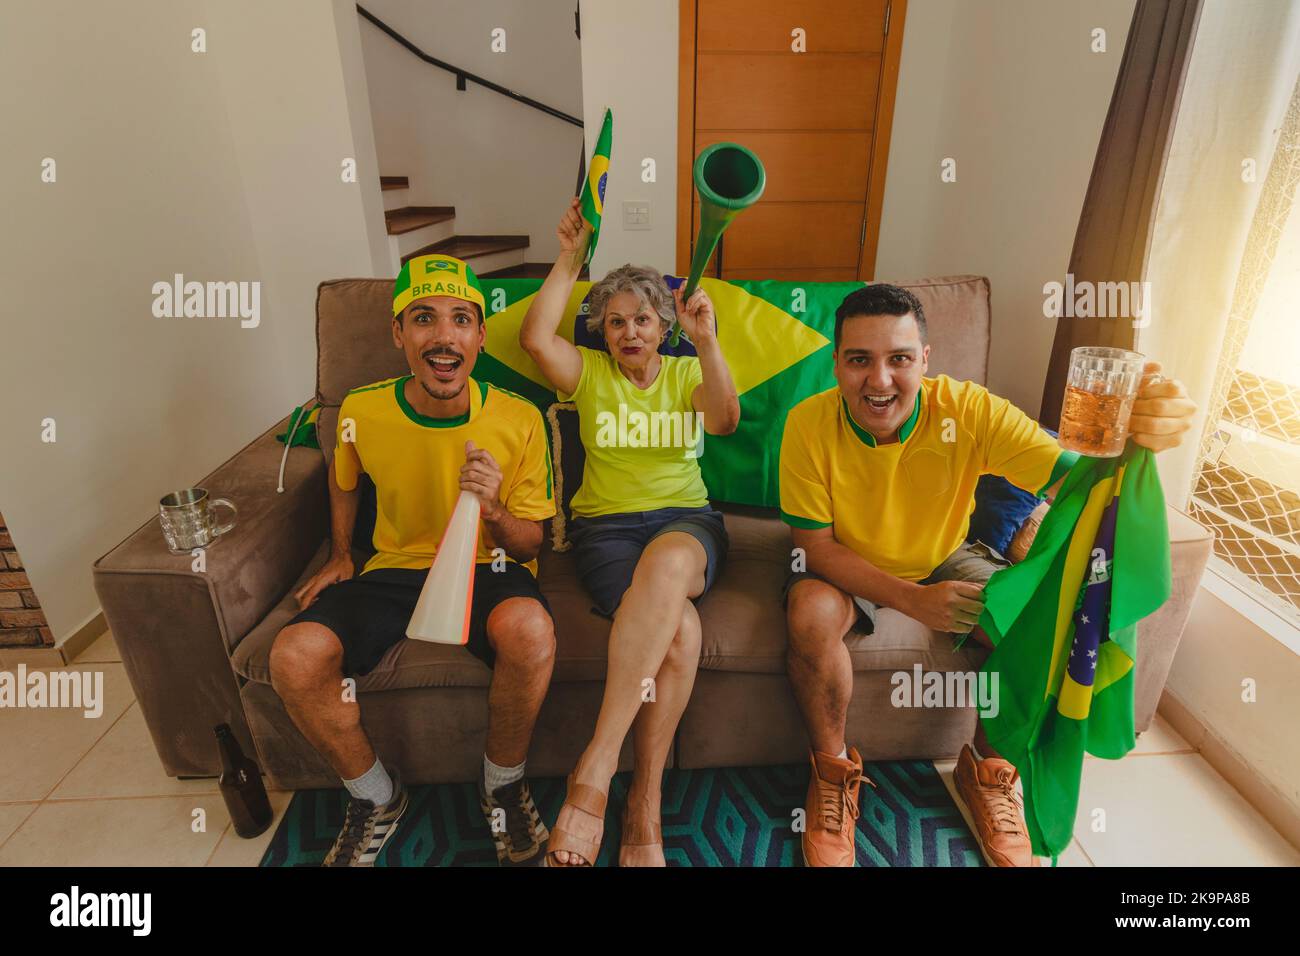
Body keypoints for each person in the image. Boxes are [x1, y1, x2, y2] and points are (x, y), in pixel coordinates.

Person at [779, 283, 1196, 867]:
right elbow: (815, 549)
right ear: (837, 365)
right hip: (849, 562)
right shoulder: (806, 424)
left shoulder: (969, 409)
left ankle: (989, 769)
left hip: (946, 555)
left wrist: (1136, 441)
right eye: (859, 360)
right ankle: (831, 774)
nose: (879, 380)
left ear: (925, 359)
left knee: (1029, 617)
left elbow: (1077, 481)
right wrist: (912, 599)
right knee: (809, 612)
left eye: (899, 359)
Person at [270, 254, 558, 867]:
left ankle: (501, 788)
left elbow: (532, 544)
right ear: (398, 333)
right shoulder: (360, 409)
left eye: (460, 319)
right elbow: (344, 481)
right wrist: (343, 553)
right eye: (423, 318)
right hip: (395, 570)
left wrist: (495, 509)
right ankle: (376, 797)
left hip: (490, 566)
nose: (443, 335)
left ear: (480, 336)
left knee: (531, 632)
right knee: (293, 657)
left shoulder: (520, 418)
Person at [519, 199, 740, 866]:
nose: (628, 331)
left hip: (687, 525)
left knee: (671, 567)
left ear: (661, 324)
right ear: (602, 331)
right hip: (606, 533)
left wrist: (707, 342)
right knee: (681, 637)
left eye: (642, 318)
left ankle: (594, 770)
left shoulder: (682, 372)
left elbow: (726, 420)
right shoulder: (587, 377)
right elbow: (535, 339)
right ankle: (644, 802)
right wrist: (568, 258)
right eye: (614, 321)